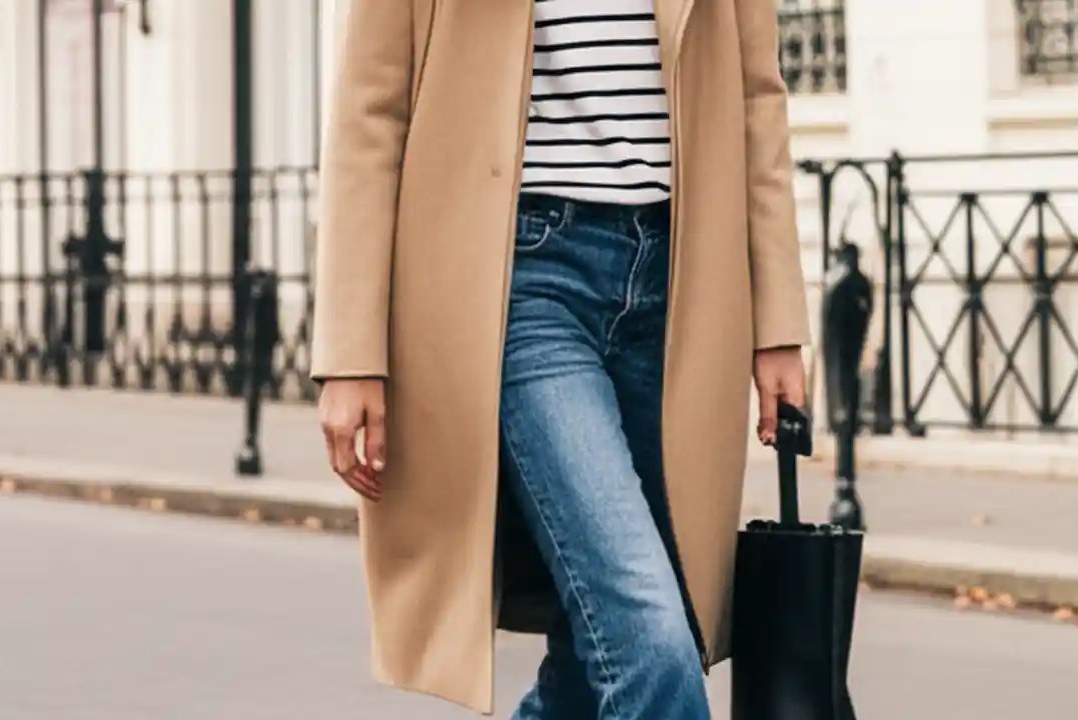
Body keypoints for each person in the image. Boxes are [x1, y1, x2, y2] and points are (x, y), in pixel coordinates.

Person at [311, 0, 810, 717]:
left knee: (593, 656)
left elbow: (758, 98)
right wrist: (351, 352)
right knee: (652, 641)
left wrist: (777, 323)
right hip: (523, 279)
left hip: (684, 284)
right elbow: (370, 112)